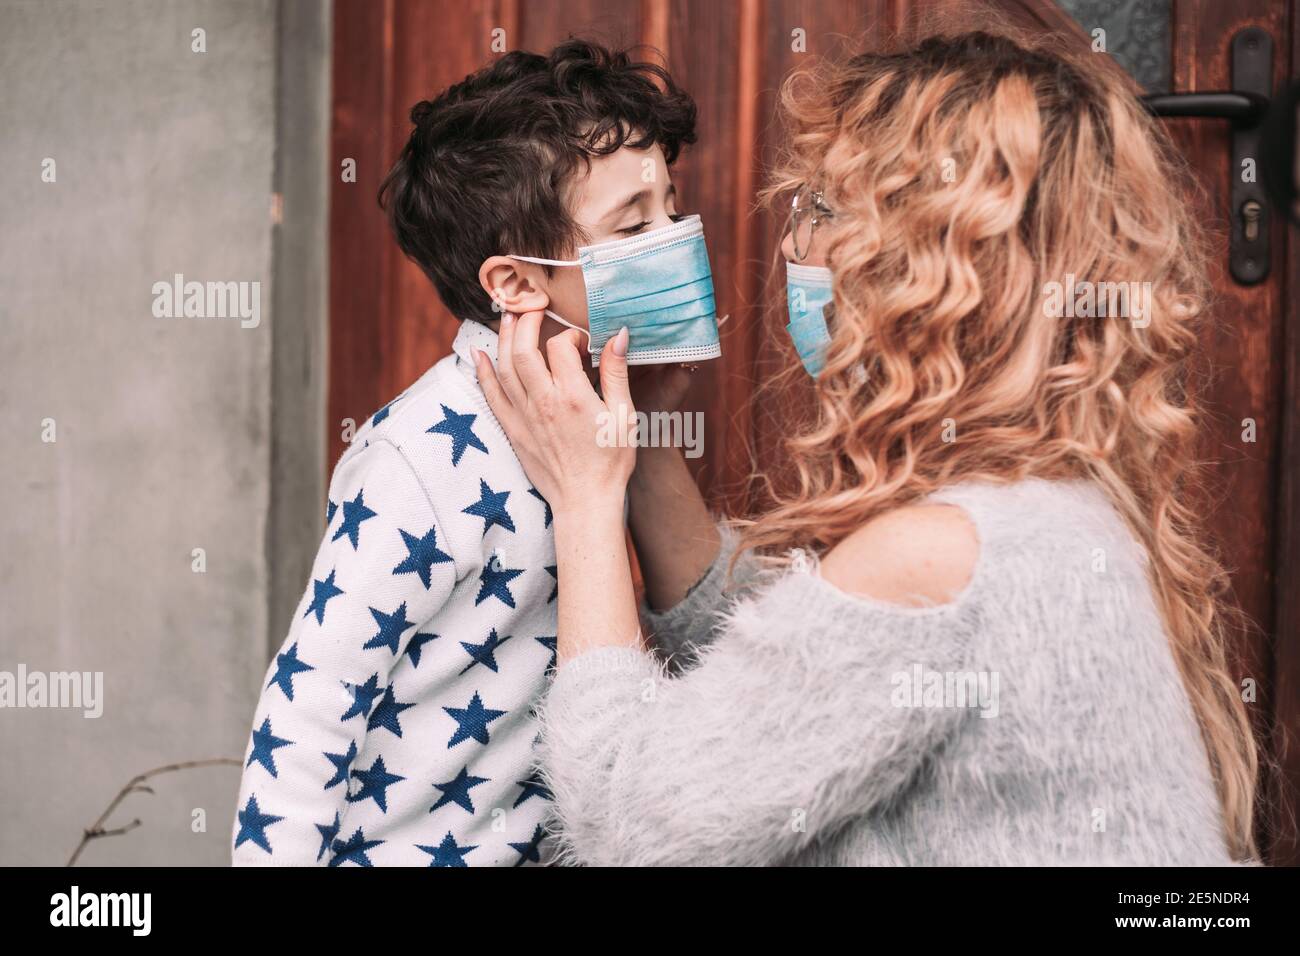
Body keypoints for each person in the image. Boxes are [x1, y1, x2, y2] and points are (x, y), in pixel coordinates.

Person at [473, 30, 1261, 866]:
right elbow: (788, 693)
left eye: (820, 209)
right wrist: (647, 447)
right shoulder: (1043, 513)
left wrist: (587, 503)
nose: (789, 246)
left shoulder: (940, 557)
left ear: (924, 267)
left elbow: (627, 818)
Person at [231, 40, 713, 866]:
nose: (673, 238)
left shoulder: (597, 413)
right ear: (517, 284)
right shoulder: (422, 456)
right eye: (634, 224)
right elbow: (309, 708)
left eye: (670, 206)